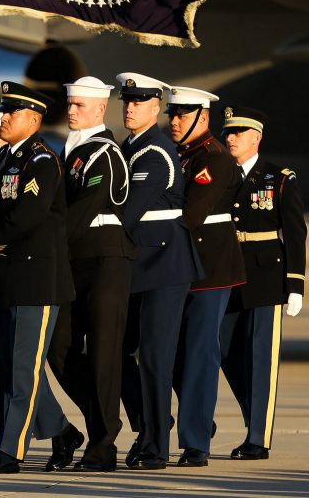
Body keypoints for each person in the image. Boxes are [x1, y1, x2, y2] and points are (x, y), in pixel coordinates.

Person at [0, 82, 75, 474]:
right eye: (3, 111)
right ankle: (61, 431)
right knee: (6, 366)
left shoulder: (42, 160)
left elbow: (26, 215)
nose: (2, 118)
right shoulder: (7, 160)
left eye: (11, 112)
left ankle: (11, 450)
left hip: (36, 278)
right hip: (7, 278)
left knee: (22, 368)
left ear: (34, 119)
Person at [44, 77, 134, 472]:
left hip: (104, 261)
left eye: (80, 105)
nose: (72, 110)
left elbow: (84, 209)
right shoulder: (69, 150)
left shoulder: (105, 154)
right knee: (58, 348)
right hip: (73, 262)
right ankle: (102, 422)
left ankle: (103, 446)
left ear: (100, 109)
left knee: (102, 354)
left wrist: (46, 242)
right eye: (70, 104)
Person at [115, 73, 204, 470]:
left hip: (164, 265)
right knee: (116, 352)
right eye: (127, 101)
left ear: (156, 108)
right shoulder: (128, 148)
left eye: (140, 102)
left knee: (154, 356)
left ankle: (155, 445)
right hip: (140, 264)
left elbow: (126, 212)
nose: (130, 107)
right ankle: (151, 424)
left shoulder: (155, 153)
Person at [165, 86, 246, 467]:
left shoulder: (214, 158)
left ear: (203, 117)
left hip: (208, 269)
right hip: (175, 267)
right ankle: (199, 420)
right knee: (168, 353)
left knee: (198, 353)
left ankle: (195, 441)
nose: (175, 121)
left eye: (183, 114)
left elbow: (190, 214)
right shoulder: (175, 156)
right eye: (172, 114)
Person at [219, 106, 306, 461]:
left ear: (256, 137)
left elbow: (295, 234)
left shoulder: (278, 178)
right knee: (222, 351)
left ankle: (258, 438)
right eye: (228, 132)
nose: (231, 138)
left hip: (266, 278)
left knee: (261, 361)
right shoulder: (220, 175)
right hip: (226, 274)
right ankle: (255, 413)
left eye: (238, 132)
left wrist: (295, 285)